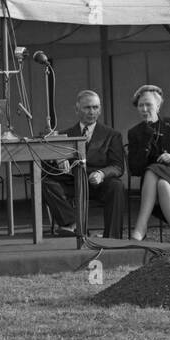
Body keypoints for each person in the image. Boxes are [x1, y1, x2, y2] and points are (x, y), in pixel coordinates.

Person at [44, 90, 127, 238]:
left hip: (97, 183)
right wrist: (58, 159)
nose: (92, 111)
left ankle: (113, 237)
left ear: (100, 109)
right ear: (77, 110)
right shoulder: (64, 135)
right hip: (73, 183)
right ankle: (72, 224)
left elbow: (118, 166)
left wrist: (102, 173)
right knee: (45, 182)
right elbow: (47, 167)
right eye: (87, 107)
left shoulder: (112, 135)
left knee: (117, 185)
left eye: (95, 107)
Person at [126, 85, 170, 245]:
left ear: (158, 106)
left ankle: (140, 228)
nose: (144, 109)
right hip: (153, 184)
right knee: (163, 183)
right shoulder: (135, 132)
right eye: (140, 105)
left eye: (148, 104)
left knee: (153, 170)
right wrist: (146, 138)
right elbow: (135, 168)